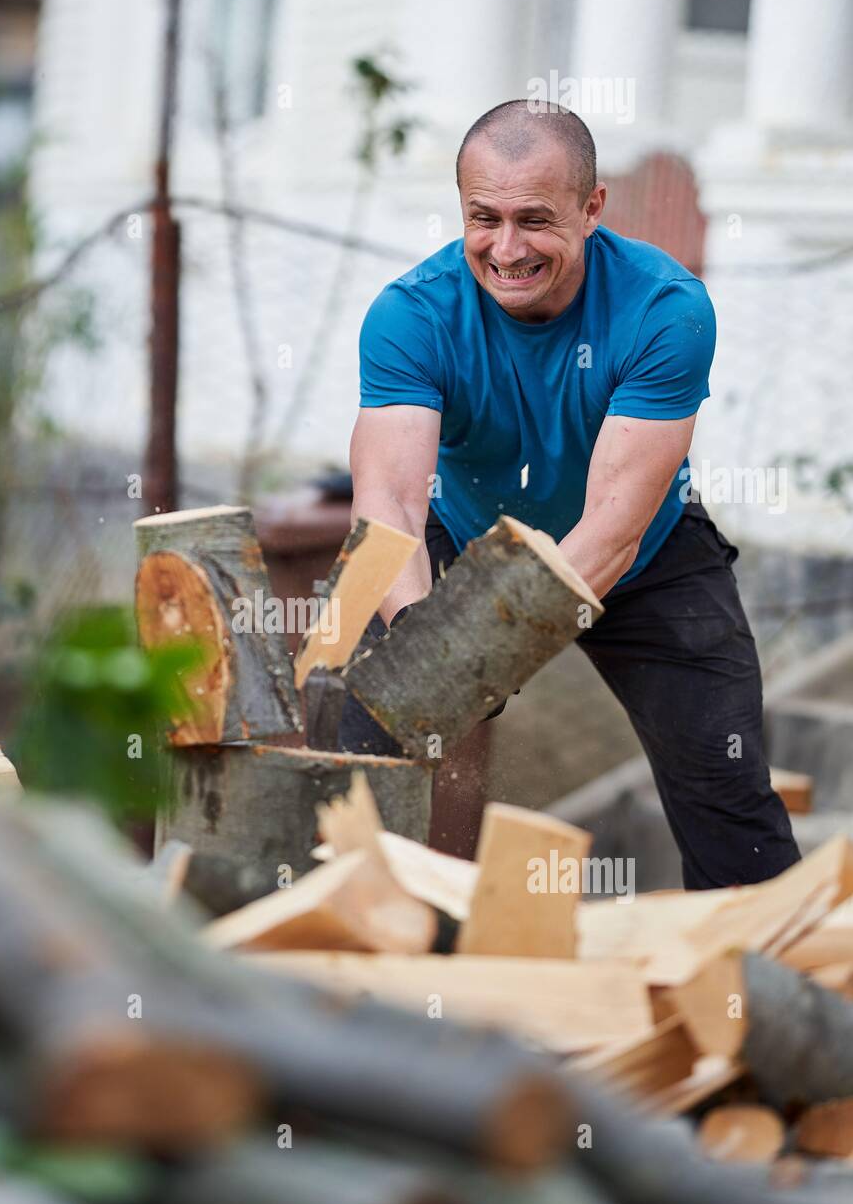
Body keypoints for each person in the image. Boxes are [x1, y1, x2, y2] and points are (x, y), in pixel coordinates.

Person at [339, 99, 798, 890]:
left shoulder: (664, 309)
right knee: (355, 762)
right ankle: (332, 971)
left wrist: (487, 650)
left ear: (592, 209)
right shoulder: (410, 314)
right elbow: (388, 503)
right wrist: (430, 643)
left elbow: (610, 529)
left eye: (535, 220)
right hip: (467, 534)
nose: (506, 249)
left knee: (725, 796)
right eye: (483, 218)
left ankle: (760, 993)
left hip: (639, 555)